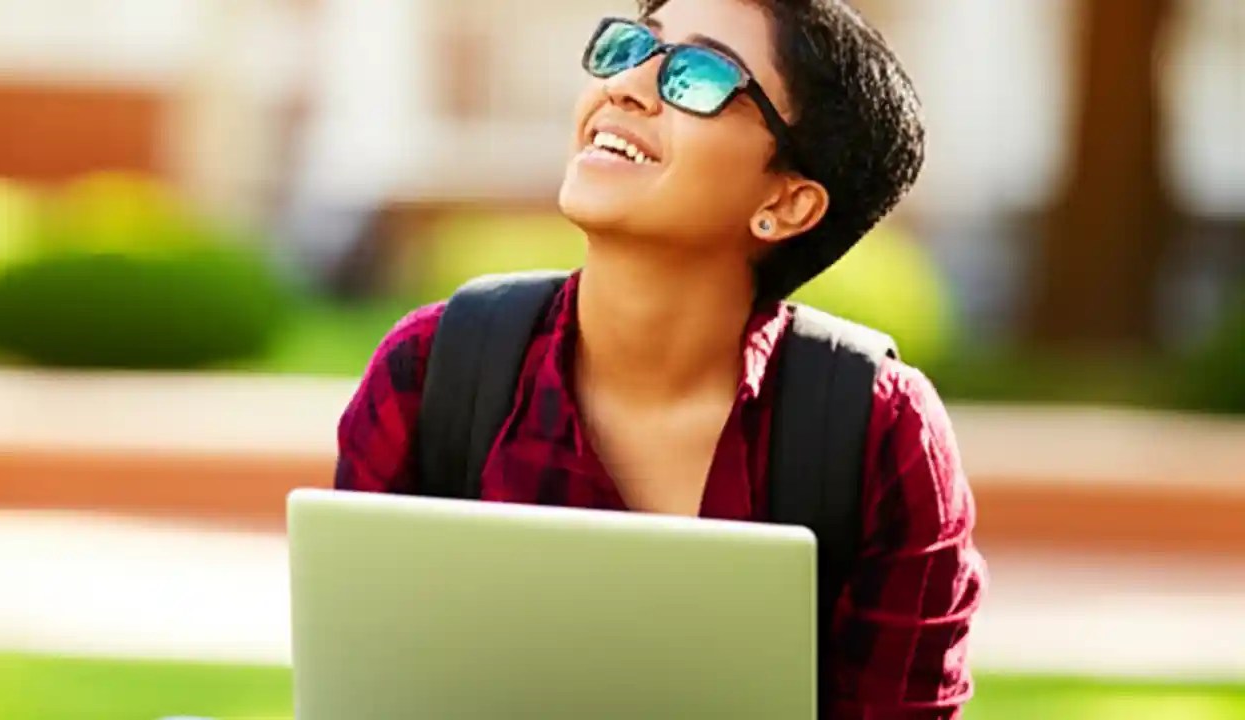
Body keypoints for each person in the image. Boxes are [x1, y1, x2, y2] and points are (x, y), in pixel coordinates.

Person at [336, 0, 986, 716]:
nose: (628, 84)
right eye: (630, 47)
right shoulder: (434, 372)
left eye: (698, 75)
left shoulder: (876, 432)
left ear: (788, 202)